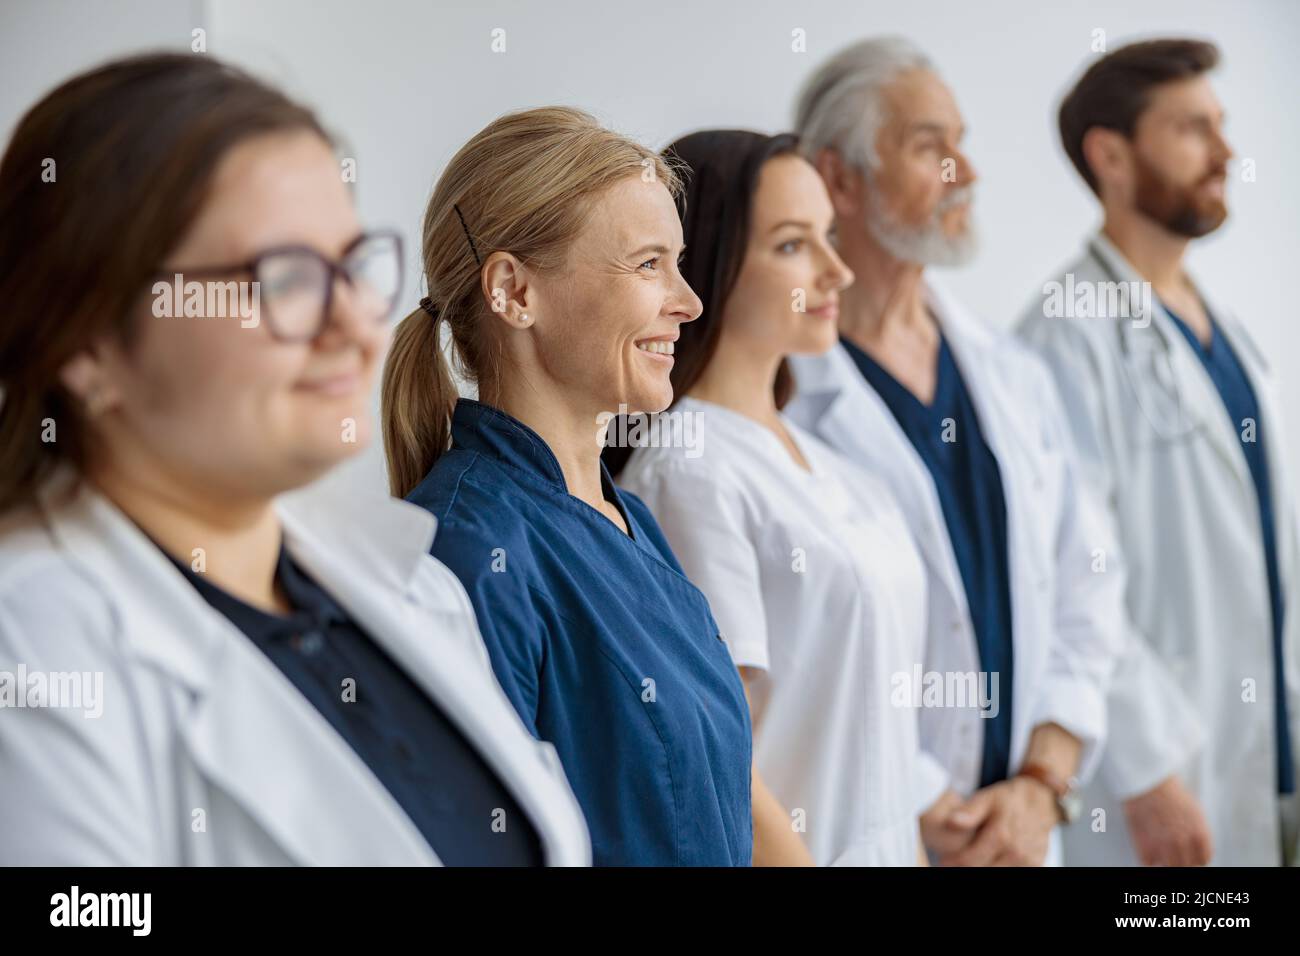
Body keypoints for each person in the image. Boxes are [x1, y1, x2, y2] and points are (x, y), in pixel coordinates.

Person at [0, 54, 589, 866]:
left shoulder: (406, 588)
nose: (354, 325)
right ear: (87, 342)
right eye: (283, 279)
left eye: (351, 268)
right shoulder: (32, 652)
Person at [382, 107, 758, 866]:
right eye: (649, 264)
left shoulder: (628, 523)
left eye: (678, 264)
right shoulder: (467, 555)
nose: (687, 302)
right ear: (515, 292)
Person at [788, 36, 1123, 865]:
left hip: (1024, 833)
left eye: (962, 144)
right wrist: (929, 801)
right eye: (930, 147)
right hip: (880, 829)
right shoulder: (783, 394)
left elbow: (1088, 585)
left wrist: (1043, 786)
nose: (964, 172)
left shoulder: (1012, 374)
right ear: (839, 180)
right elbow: (795, 659)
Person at [610, 129, 927, 865]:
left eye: (830, 237)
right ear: (707, 266)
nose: (837, 271)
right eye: (793, 245)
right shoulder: (689, 470)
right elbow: (721, 761)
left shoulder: (834, 466)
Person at [1019, 38, 1299, 866]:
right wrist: (1146, 767)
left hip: (1265, 752)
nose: (1226, 153)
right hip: (1163, 774)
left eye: (1221, 125)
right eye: (1192, 130)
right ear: (1111, 154)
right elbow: (1070, 570)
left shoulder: (1234, 334)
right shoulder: (1060, 339)